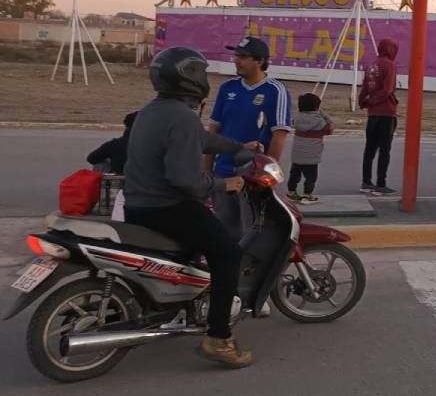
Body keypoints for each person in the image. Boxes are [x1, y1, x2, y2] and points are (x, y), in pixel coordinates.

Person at [124, 47, 261, 367]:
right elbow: (184, 179)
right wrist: (223, 184)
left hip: (138, 205)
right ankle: (219, 337)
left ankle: (172, 308)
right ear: (191, 78)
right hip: (167, 206)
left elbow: (202, 140)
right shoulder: (182, 116)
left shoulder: (153, 111)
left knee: (192, 251)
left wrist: (238, 148)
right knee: (227, 253)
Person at [207, 36, 292, 243]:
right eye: (236, 55)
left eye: (243, 57)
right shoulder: (227, 88)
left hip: (252, 177)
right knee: (224, 234)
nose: (236, 60)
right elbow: (213, 131)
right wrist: (207, 171)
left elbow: (279, 135)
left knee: (251, 235)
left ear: (260, 61)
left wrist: (265, 175)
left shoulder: (276, 91)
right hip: (223, 173)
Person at [357, 38, 399, 195]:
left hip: (373, 114)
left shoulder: (372, 65)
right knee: (384, 150)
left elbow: (365, 87)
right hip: (386, 112)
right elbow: (387, 90)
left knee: (369, 149)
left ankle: (366, 182)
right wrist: (373, 101)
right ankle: (381, 184)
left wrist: (364, 102)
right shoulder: (390, 65)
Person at [287, 93, 333, 204]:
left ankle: (291, 193)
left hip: (297, 156)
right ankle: (307, 195)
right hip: (311, 157)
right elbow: (330, 129)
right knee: (311, 177)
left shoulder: (297, 118)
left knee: (294, 175)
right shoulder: (320, 121)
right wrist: (322, 113)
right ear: (316, 107)